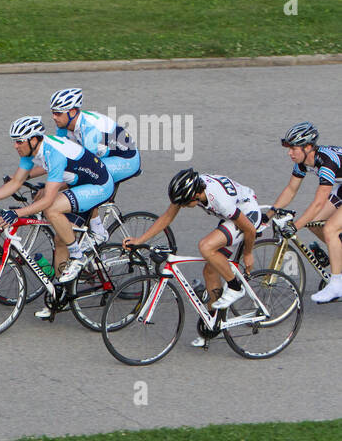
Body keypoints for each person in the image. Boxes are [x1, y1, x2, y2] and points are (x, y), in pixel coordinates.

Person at [124, 169, 265, 348]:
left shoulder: (218, 199)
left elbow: (249, 229)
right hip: (232, 215)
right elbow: (167, 217)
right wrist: (139, 240)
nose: (181, 207)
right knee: (210, 269)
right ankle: (214, 323)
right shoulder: (191, 189)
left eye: (184, 203)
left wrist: (247, 253)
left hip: (248, 213)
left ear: (195, 196)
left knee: (206, 246)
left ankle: (236, 287)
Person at [0, 116, 115, 286]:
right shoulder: (30, 151)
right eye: (14, 141)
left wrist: (16, 214)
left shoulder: (54, 154)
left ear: (34, 139)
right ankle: (60, 293)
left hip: (98, 186)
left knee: (51, 209)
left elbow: (48, 201)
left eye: (19, 141)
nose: (15, 146)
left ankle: (78, 256)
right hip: (79, 183)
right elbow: (16, 182)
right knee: (61, 238)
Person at [49, 87, 140, 240]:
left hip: (126, 160)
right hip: (107, 156)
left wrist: (55, 186)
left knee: (90, 179)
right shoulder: (65, 126)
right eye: (53, 112)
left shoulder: (89, 129)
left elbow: (87, 168)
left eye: (58, 113)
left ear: (72, 112)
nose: (53, 117)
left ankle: (98, 231)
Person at [266, 121, 342, 304]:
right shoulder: (302, 162)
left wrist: (295, 226)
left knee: (330, 228)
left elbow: (318, 202)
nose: (289, 153)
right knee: (313, 222)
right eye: (288, 148)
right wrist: (267, 215)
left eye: (293, 148)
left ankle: (337, 283)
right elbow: (291, 190)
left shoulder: (327, 163)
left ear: (308, 147)